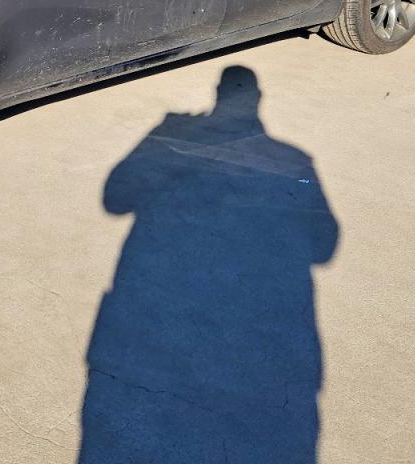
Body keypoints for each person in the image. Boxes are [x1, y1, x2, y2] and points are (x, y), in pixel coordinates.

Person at [80, 65, 339, 464]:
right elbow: (324, 245)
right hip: (262, 341)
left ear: (219, 96)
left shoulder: (183, 140)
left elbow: (116, 199)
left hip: (158, 324)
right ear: (257, 102)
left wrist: (157, 136)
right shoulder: (296, 162)